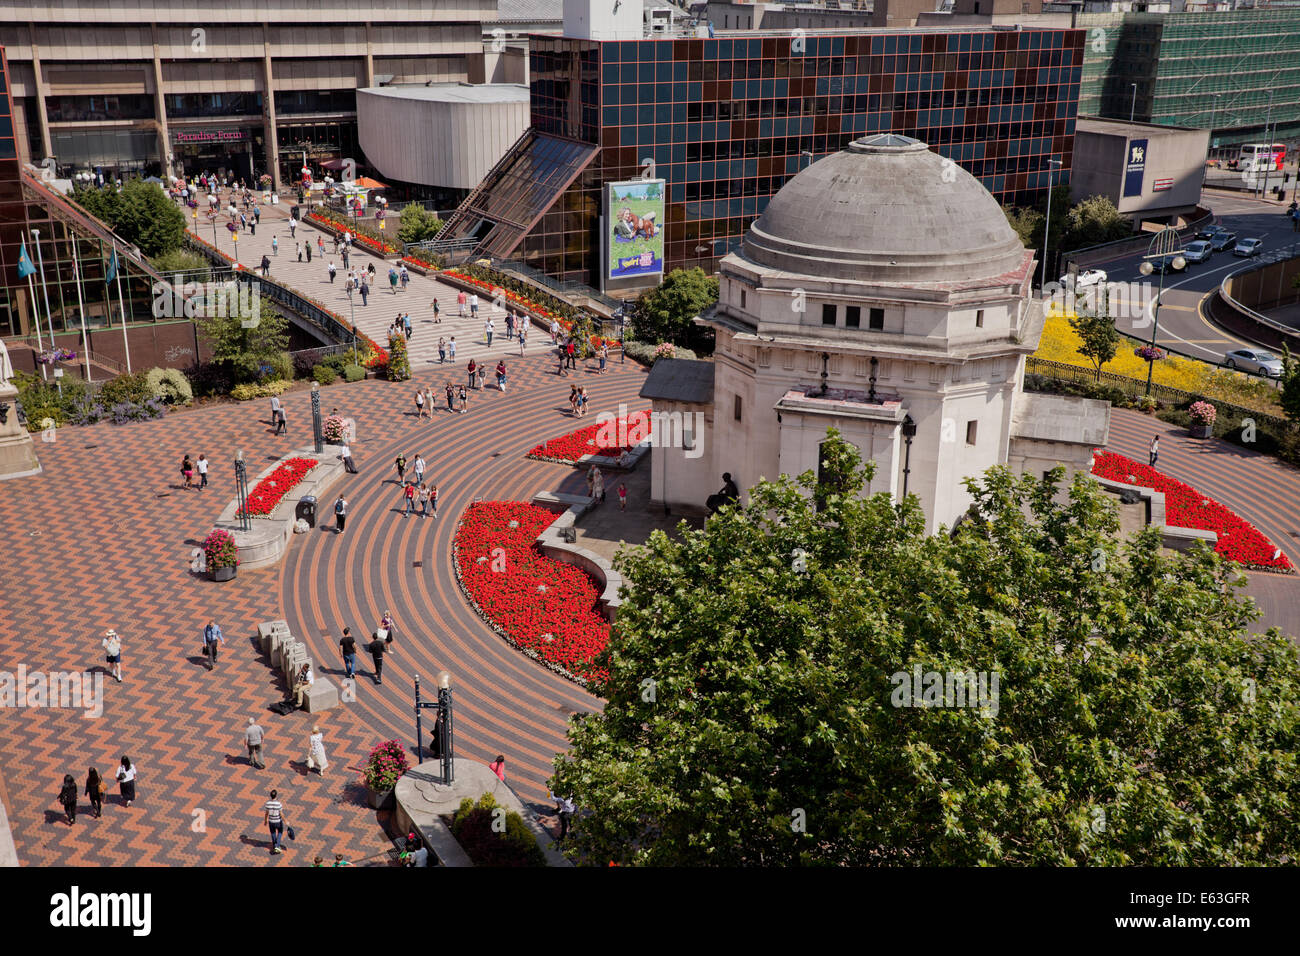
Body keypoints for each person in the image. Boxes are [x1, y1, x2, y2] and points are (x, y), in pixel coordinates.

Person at [264, 789, 286, 854]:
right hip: (278, 821)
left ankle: (274, 846)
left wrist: (265, 820)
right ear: (276, 795)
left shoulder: (268, 803)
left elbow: (266, 813)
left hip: (271, 821)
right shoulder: (279, 804)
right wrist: (285, 821)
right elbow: (281, 813)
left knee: (273, 832)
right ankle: (277, 845)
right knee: (280, 832)